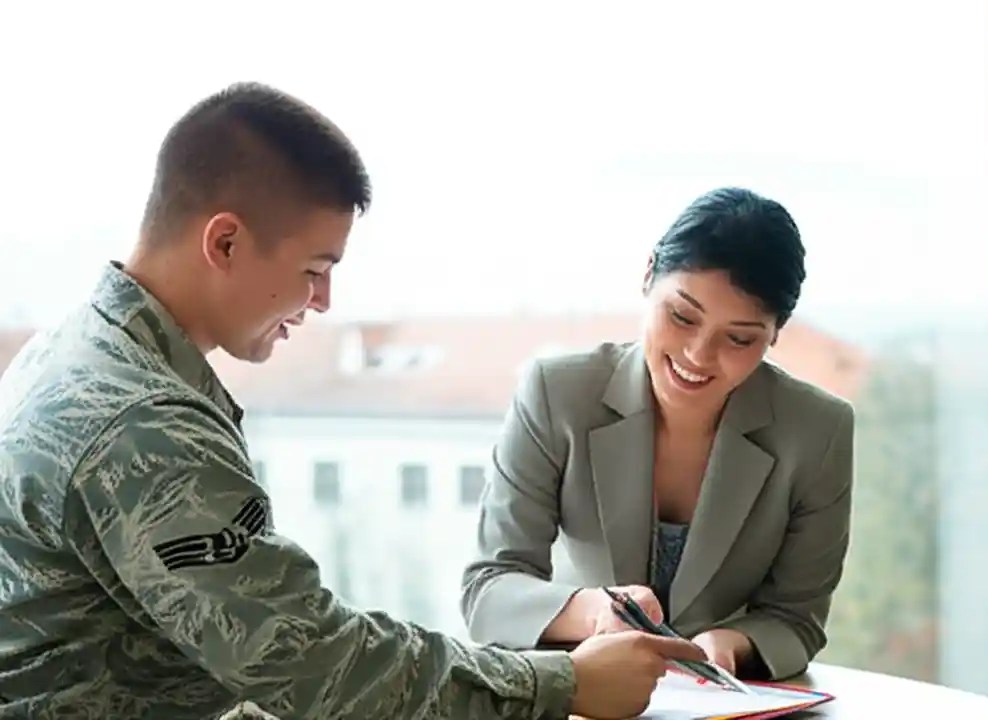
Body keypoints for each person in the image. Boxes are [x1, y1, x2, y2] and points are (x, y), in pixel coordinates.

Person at [0, 82, 704, 720]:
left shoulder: (74, 350)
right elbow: (310, 660)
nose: (323, 302)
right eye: (314, 270)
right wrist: (564, 686)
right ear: (224, 241)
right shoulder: (141, 422)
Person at [460, 187, 856, 682]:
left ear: (776, 332)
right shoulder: (556, 393)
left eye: (739, 338)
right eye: (682, 316)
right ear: (648, 274)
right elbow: (490, 588)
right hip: (580, 693)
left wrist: (729, 646)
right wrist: (596, 611)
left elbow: (797, 619)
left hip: (721, 702)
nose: (698, 355)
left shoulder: (819, 431)